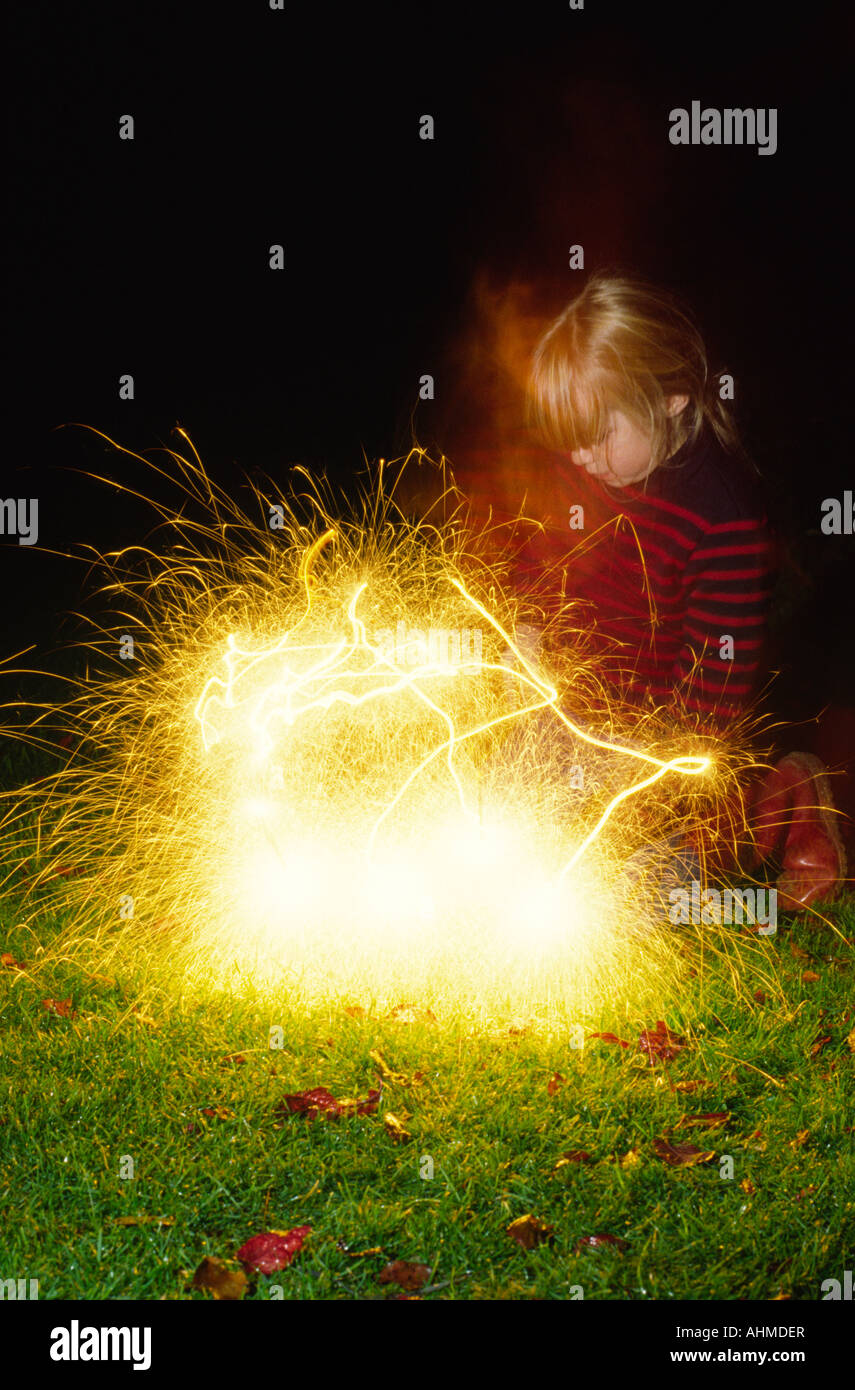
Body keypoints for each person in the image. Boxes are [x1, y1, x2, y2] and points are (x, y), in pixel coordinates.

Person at [463, 271, 846, 911]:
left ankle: (783, 794)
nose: (580, 456)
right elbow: (538, 555)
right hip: (573, 717)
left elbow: (710, 697)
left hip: (665, 745)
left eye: (597, 433)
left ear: (670, 399)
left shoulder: (720, 515)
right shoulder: (587, 461)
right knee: (491, 847)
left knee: (627, 904)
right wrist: (524, 636)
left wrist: (636, 791)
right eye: (570, 437)